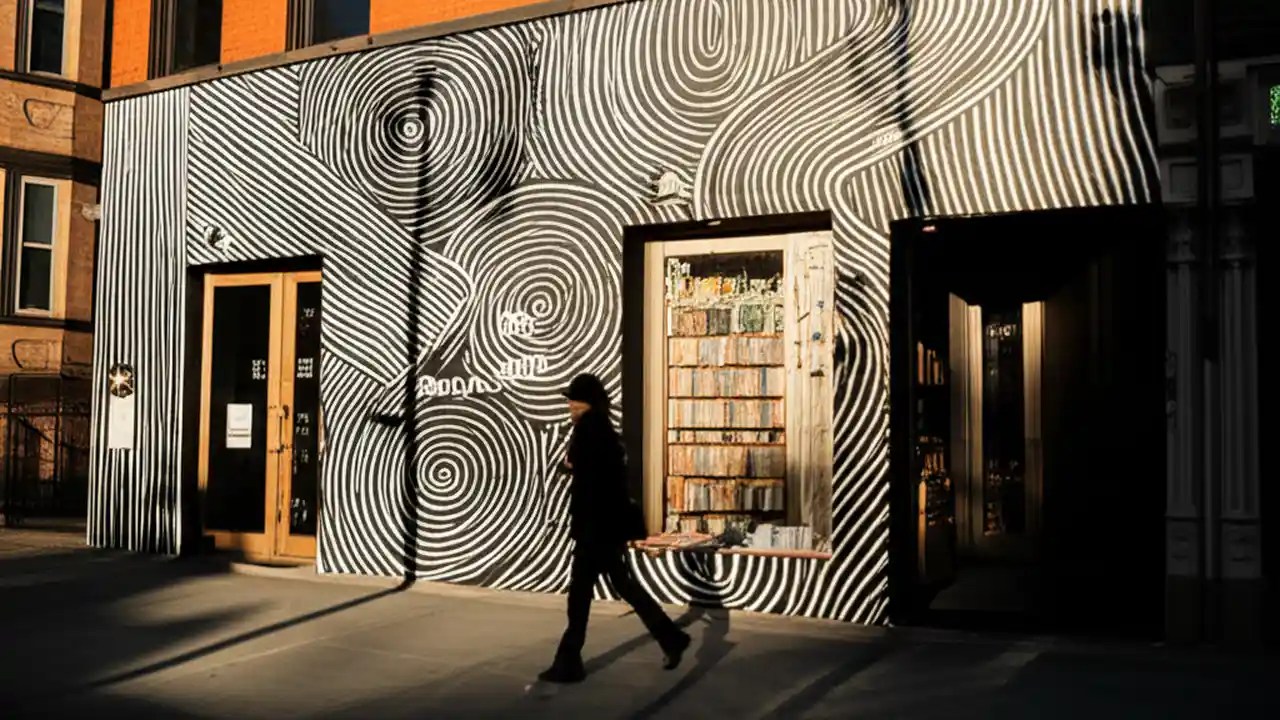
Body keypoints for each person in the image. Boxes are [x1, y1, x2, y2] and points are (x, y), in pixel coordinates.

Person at [538, 373, 691, 684]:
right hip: (606, 527)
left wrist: (571, 466)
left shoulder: (587, 431)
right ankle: (670, 637)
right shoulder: (605, 430)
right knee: (623, 586)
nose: (569, 405)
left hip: (594, 528)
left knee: (579, 596)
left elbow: (588, 476)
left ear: (586, 402)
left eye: (573, 399)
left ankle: (569, 663)